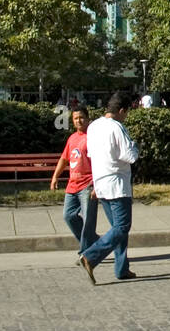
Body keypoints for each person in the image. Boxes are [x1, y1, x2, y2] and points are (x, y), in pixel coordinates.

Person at [79, 92, 139, 284]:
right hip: (117, 184)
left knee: (117, 229)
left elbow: (91, 153)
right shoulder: (117, 127)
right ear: (121, 110)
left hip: (100, 182)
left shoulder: (94, 126)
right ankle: (90, 256)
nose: (126, 116)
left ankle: (122, 268)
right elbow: (130, 156)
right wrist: (135, 145)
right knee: (122, 226)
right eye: (126, 113)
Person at [50, 106, 99, 261]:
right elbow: (64, 159)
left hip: (88, 184)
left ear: (88, 119)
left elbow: (99, 161)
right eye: (76, 118)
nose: (79, 120)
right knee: (68, 216)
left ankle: (85, 254)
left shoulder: (93, 137)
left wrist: (97, 184)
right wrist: (55, 176)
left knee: (88, 221)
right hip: (73, 184)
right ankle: (96, 243)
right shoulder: (72, 138)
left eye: (82, 117)